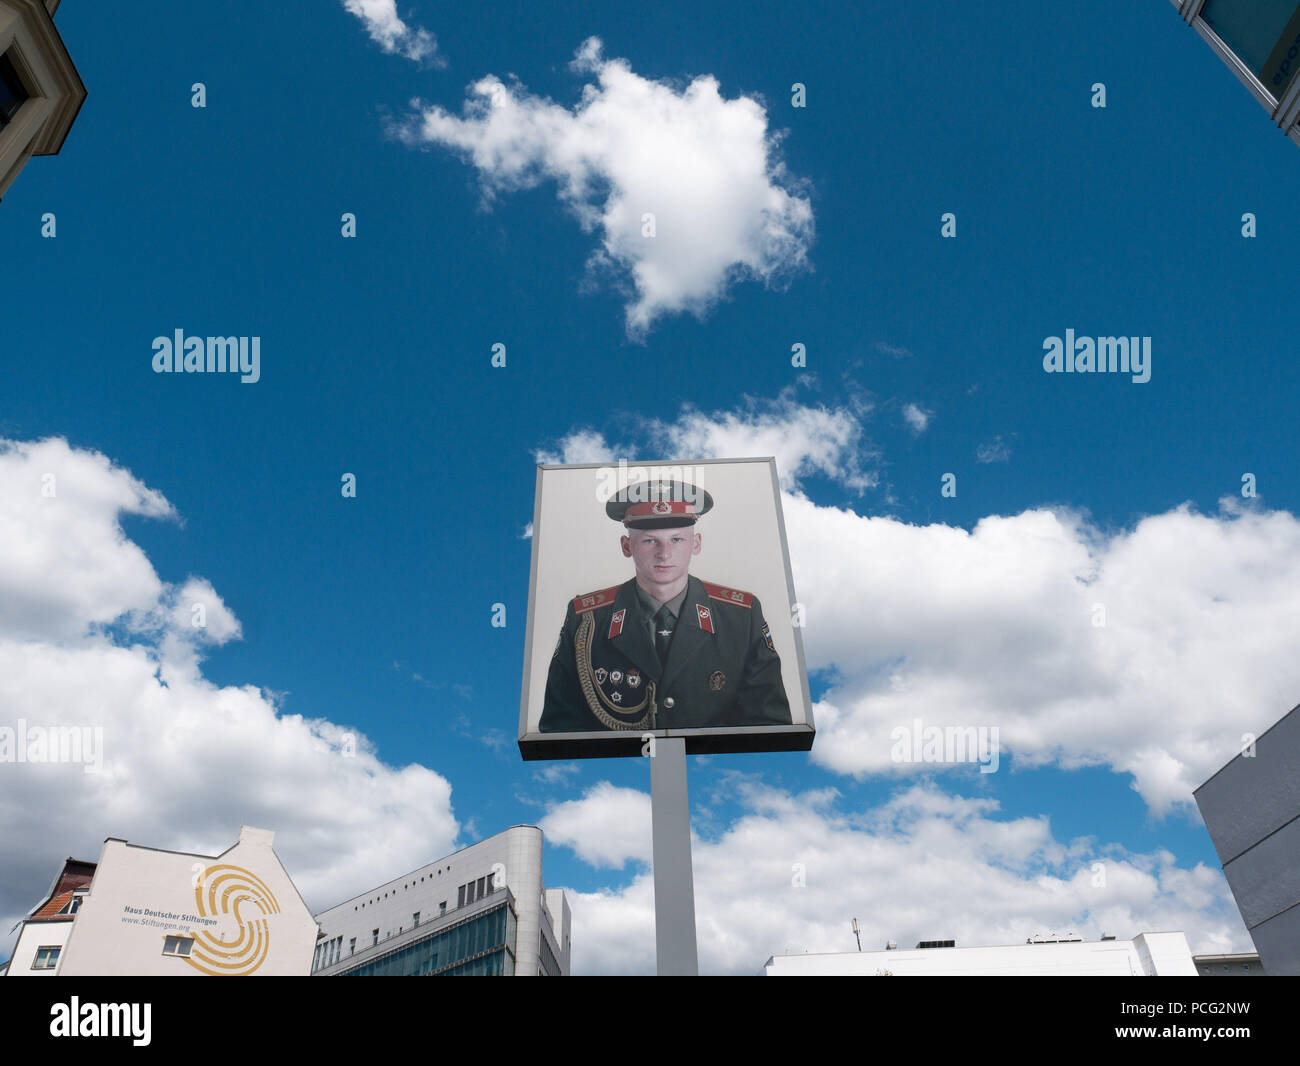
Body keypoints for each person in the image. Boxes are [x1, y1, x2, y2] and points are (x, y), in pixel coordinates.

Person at [539, 480, 792, 732]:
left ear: (696, 544)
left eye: (677, 540)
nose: (664, 553)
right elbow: (559, 729)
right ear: (627, 547)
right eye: (650, 541)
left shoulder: (741, 617)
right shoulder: (586, 619)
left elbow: (770, 728)